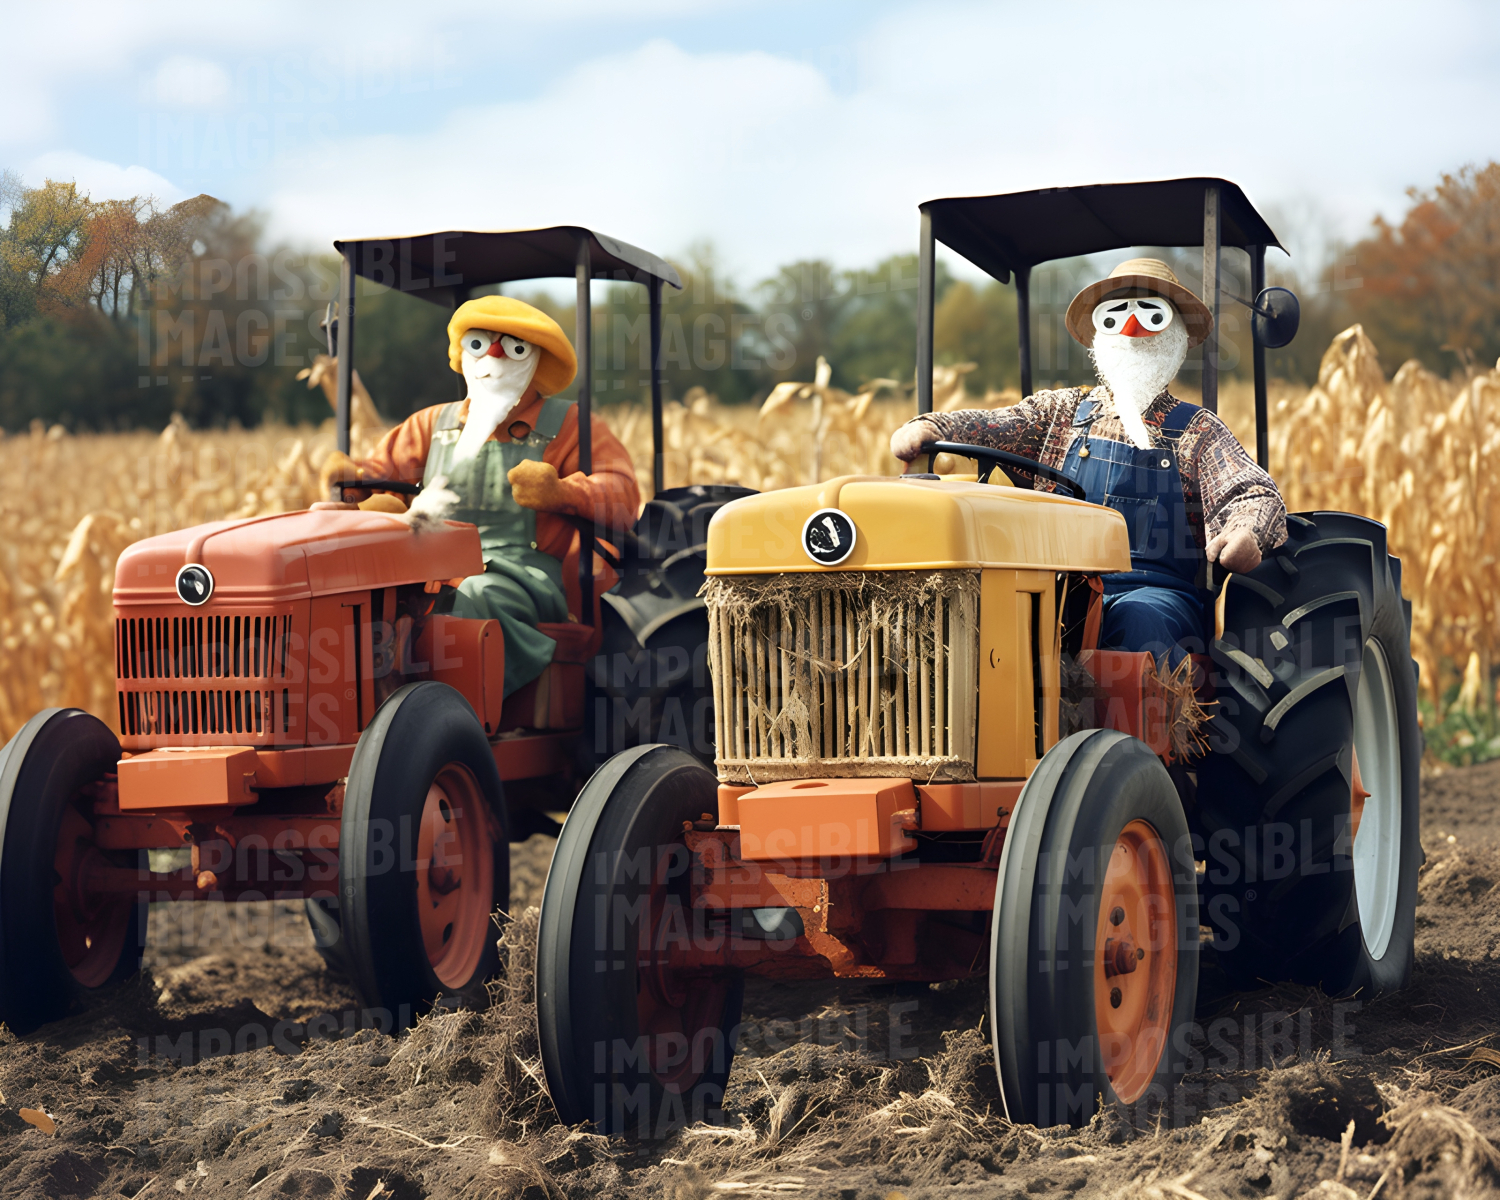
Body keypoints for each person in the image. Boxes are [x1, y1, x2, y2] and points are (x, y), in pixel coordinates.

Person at [891, 259, 1287, 664]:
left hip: (1151, 592)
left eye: (1152, 315)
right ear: (1099, 334)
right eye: (1117, 314)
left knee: (1136, 619)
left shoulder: (1197, 431)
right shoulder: (1059, 412)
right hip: (1058, 584)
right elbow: (993, 425)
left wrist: (1246, 532)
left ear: (1179, 336)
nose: (1132, 330)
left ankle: (1137, 726)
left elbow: (1249, 491)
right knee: (982, 617)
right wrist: (933, 426)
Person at [321, 295, 639, 698]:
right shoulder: (432, 424)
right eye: (479, 344)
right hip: (428, 563)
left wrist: (561, 491)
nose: (492, 357)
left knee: (469, 596)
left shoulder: (572, 425)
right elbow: (379, 481)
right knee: (367, 598)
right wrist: (354, 481)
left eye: (512, 349)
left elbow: (623, 497)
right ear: (462, 354)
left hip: (524, 573)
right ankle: (367, 710)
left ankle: (453, 717)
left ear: (536, 361)